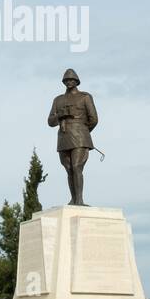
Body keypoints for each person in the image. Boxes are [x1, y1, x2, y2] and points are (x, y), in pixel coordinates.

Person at [48, 68, 97, 206]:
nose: (69, 82)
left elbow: (94, 119)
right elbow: (50, 122)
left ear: (76, 81)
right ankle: (73, 199)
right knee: (69, 169)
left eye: (72, 80)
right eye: (67, 80)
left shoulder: (85, 97)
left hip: (80, 136)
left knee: (77, 167)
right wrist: (60, 115)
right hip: (64, 136)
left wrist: (83, 131)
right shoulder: (58, 100)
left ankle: (80, 200)